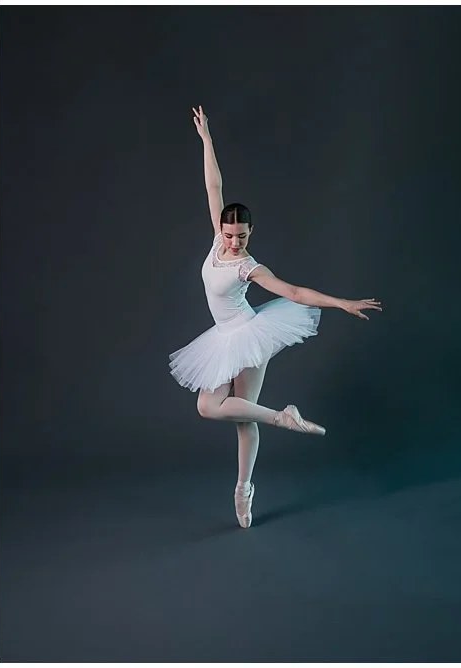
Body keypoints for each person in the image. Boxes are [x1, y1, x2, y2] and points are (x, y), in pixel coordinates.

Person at [170, 106, 381, 529]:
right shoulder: (217, 241)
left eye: (241, 236)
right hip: (222, 335)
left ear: (250, 234)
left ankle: (243, 488)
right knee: (211, 406)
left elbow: (295, 292)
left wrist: (341, 303)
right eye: (229, 235)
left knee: (241, 418)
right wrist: (207, 139)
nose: (233, 241)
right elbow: (215, 185)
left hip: (249, 335)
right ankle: (283, 417)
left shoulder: (249, 265)